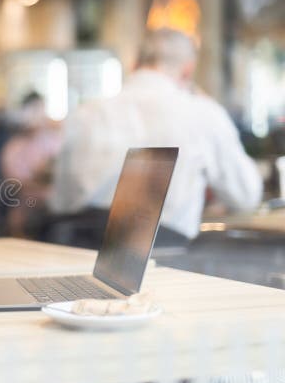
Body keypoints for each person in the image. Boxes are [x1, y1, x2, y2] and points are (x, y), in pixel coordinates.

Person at [48, 28, 262, 248]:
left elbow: (61, 202)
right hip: (163, 260)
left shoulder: (86, 114)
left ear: (134, 64)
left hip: (77, 252)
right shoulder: (203, 113)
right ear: (188, 71)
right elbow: (245, 195)